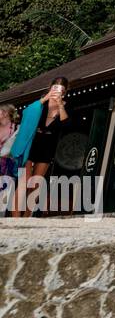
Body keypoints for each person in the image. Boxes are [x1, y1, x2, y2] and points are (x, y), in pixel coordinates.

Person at [5, 78, 70, 217]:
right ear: (50, 88)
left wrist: (60, 105)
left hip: (47, 146)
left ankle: (27, 217)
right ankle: (15, 218)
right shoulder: (40, 103)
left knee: (35, 184)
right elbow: (27, 113)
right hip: (32, 144)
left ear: (64, 92)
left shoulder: (64, 106)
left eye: (61, 90)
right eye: (55, 88)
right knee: (23, 182)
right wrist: (46, 98)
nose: (57, 92)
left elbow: (66, 124)